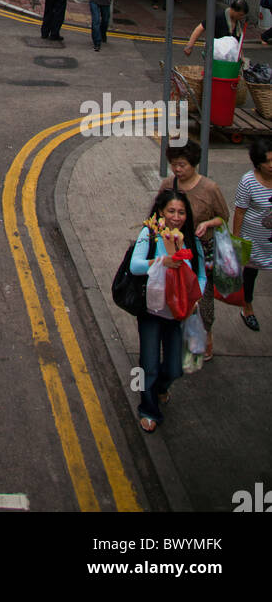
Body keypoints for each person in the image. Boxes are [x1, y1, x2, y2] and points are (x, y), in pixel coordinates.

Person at [129, 188, 205, 433]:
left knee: (174, 368)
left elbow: (202, 275)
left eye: (181, 212)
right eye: (171, 211)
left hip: (178, 313)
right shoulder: (149, 234)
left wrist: (196, 297)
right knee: (147, 363)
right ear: (160, 212)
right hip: (151, 311)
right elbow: (135, 265)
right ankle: (147, 407)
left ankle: (159, 387)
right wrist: (162, 261)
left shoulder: (191, 239)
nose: (176, 216)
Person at [160, 140, 229, 359]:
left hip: (202, 251)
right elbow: (155, 214)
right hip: (173, 250)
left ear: (194, 164)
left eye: (182, 165)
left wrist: (207, 224)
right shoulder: (168, 185)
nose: (177, 170)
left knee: (203, 295)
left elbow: (223, 217)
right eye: (174, 164)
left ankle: (205, 334)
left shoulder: (210, 189)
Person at [232, 136, 272, 332]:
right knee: (250, 274)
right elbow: (239, 211)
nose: (271, 165)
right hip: (253, 239)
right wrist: (237, 241)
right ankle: (247, 307)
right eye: (267, 161)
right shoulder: (248, 181)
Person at [184, 0, 249, 56]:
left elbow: (238, 43)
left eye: (243, 16)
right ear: (233, 9)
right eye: (240, 15)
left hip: (229, 57)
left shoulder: (238, 23)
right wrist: (190, 46)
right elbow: (200, 28)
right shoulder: (219, 16)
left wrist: (241, 57)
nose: (241, 17)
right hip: (215, 54)